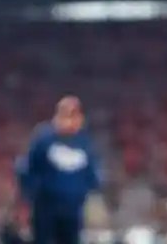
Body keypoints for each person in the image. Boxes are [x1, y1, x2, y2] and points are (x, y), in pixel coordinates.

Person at [18, 96, 102, 244]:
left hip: (73, 210)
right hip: (46, 208)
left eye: (74, 115)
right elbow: (28, 169)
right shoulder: (44, 139)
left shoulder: (84, 144)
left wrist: (88, 195)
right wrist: (28, 198)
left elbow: (92, 176)